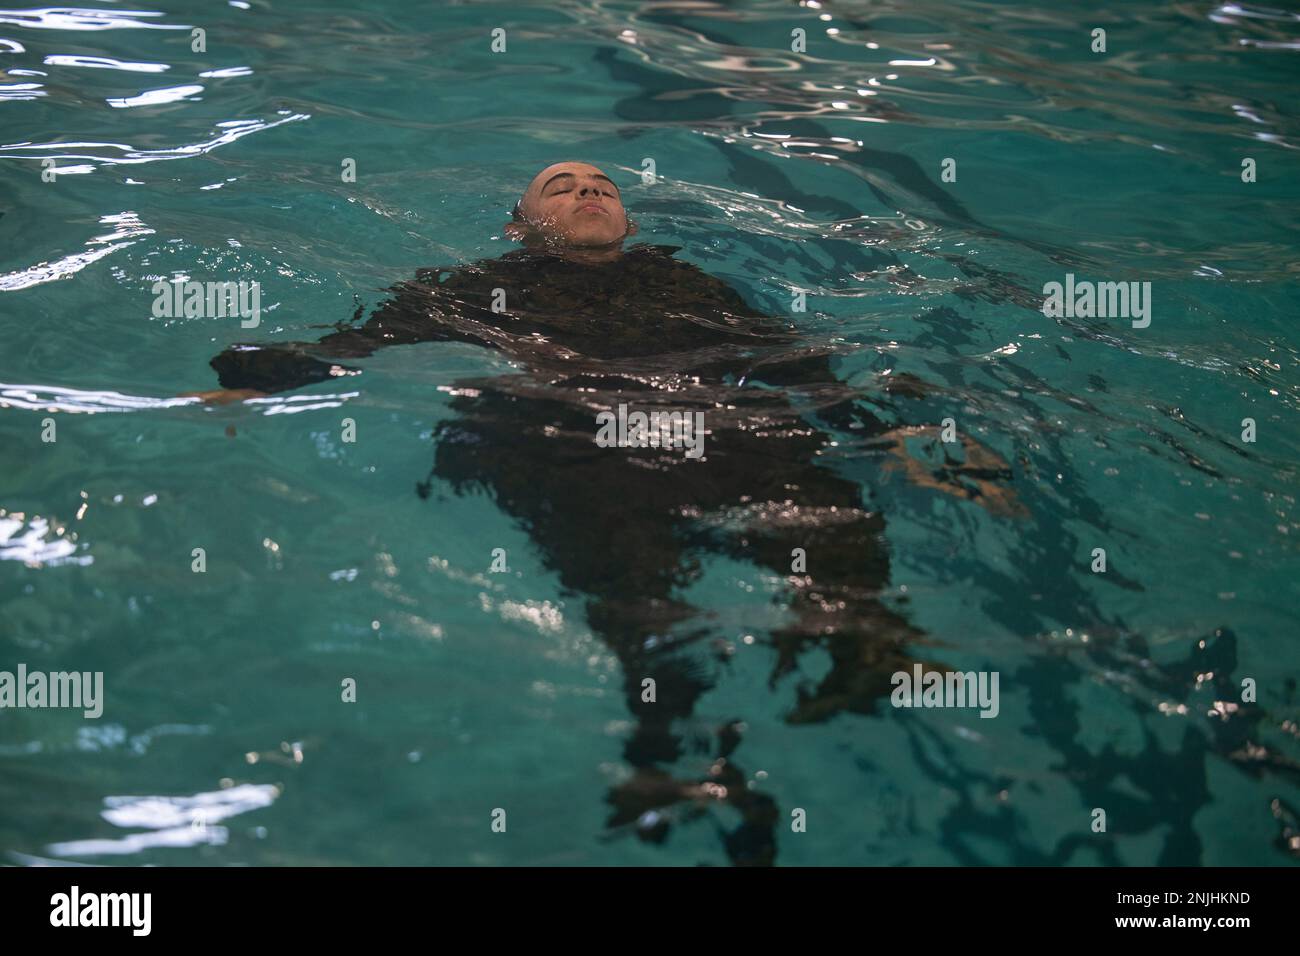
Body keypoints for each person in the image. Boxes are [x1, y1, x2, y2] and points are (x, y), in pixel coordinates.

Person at [185, 161, 1020, 864]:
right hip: (573, 445)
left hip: (717, 432)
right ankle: (667, 750)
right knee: (641, 594)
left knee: (823, 510)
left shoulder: (690, 280)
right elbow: (357, 343)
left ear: (624, 218)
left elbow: (801, 371)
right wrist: (248, 378)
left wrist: (894, 438)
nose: (587, 192)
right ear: (521, 226)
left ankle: (861, 645)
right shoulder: (479, 284)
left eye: (602, 186)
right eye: (561, 186)